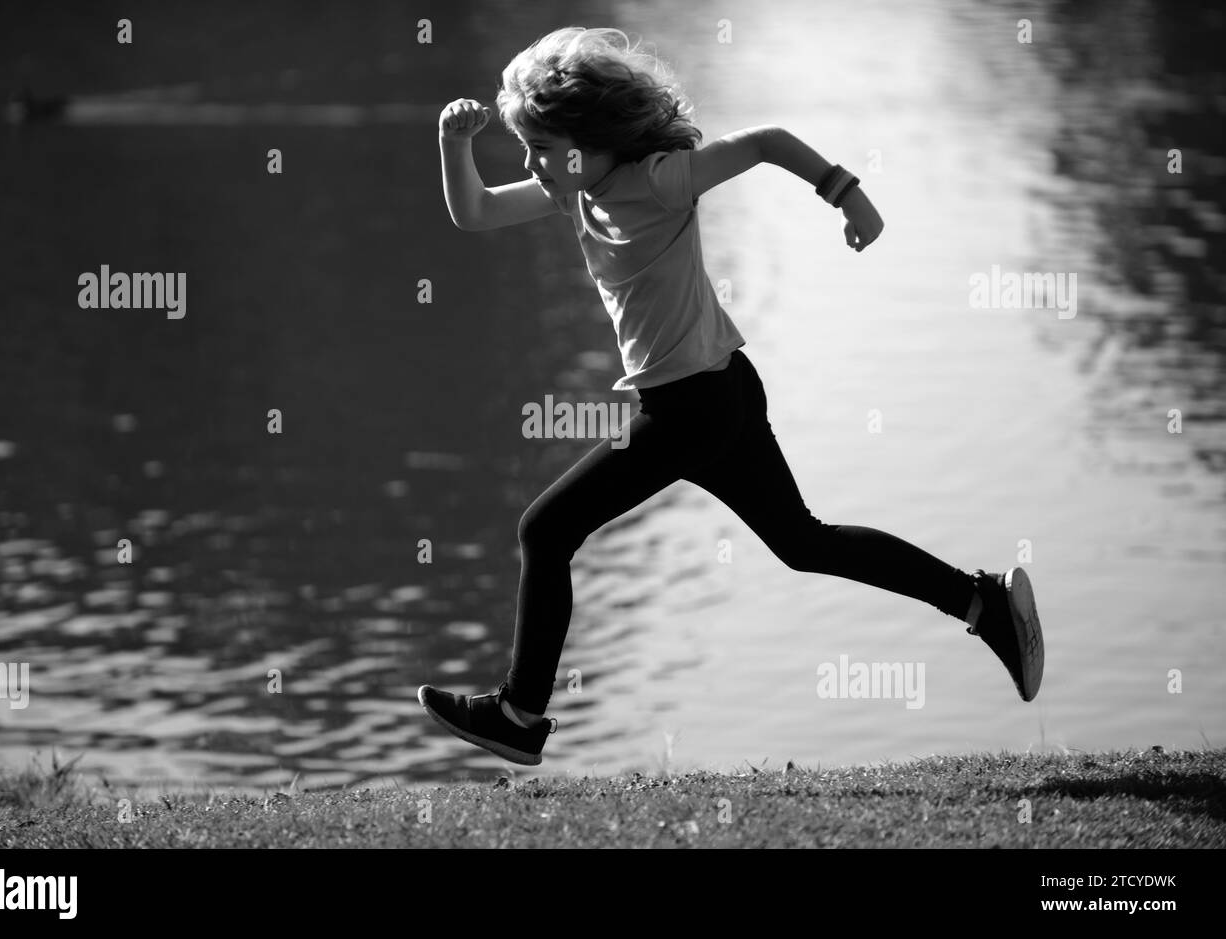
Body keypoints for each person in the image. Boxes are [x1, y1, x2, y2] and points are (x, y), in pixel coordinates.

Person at [418, 27, 1043, 766]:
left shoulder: (657, 178)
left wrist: (848, 196)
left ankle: (520, 715)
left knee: (545, 532)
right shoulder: (574, 190)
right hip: (718, 393)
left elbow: (768, 141)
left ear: (590, 139)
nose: (533, 164)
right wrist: (452, 143)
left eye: (543, 148)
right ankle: (984, 602)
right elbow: (476, 212)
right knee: (804, 541)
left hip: (691, 407)